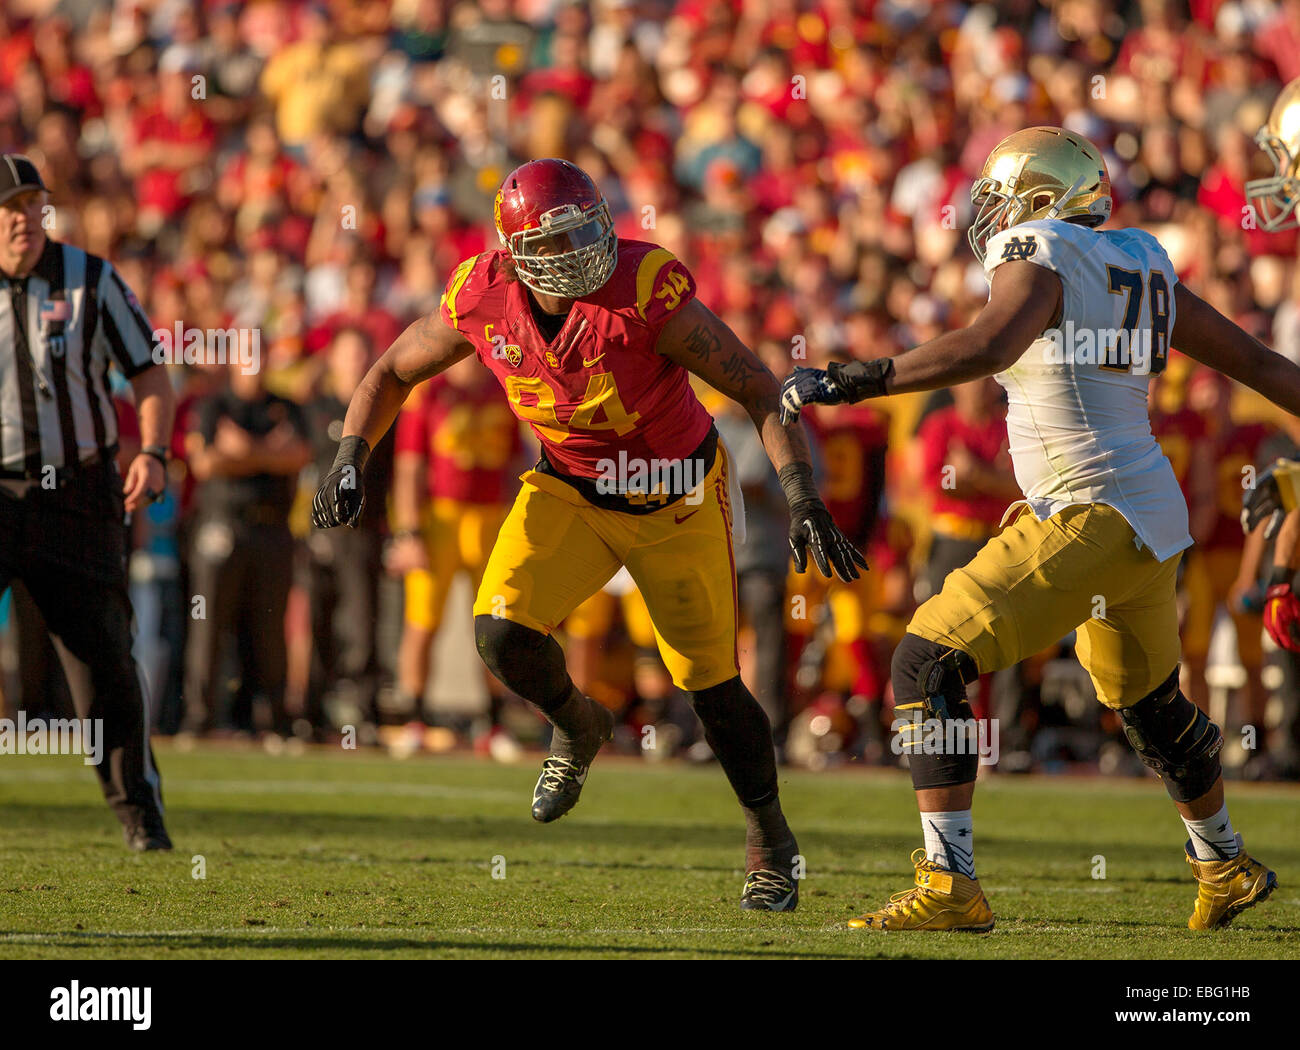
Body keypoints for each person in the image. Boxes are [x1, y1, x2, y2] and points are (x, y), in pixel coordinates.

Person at [312, 158, 864, 911]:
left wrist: (802, 493)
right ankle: (578, 723)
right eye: (561, 240)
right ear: (518, 253)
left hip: (675, 497)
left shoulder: (644, 291)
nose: (584, 251)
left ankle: (770, 840)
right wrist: (351, 456)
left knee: (710, 685)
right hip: (570, 490)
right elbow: (388, 373)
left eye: (589, 229)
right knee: (500, 633)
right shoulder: (482, 296)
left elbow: (756, 387)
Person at [781, 126, 1290, 931]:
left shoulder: (1040, 248)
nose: (990, 213)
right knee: (1154, 704)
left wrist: (851, 379)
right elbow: (1259, 365)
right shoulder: (1141, 258)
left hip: (1090, 511)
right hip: (1151, 518)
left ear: (1040, 200)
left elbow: (989, 344)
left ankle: (950, 887)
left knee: (924, 660)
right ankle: (1222, 863)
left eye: (1000, 194)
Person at [0, 154, 174, 851]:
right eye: (11, 208)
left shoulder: (90, 279)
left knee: (104, 661)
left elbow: (150, 372)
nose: (25, 220)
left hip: (78, 491)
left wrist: (154, 453)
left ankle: (140, 815)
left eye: (34, 205)